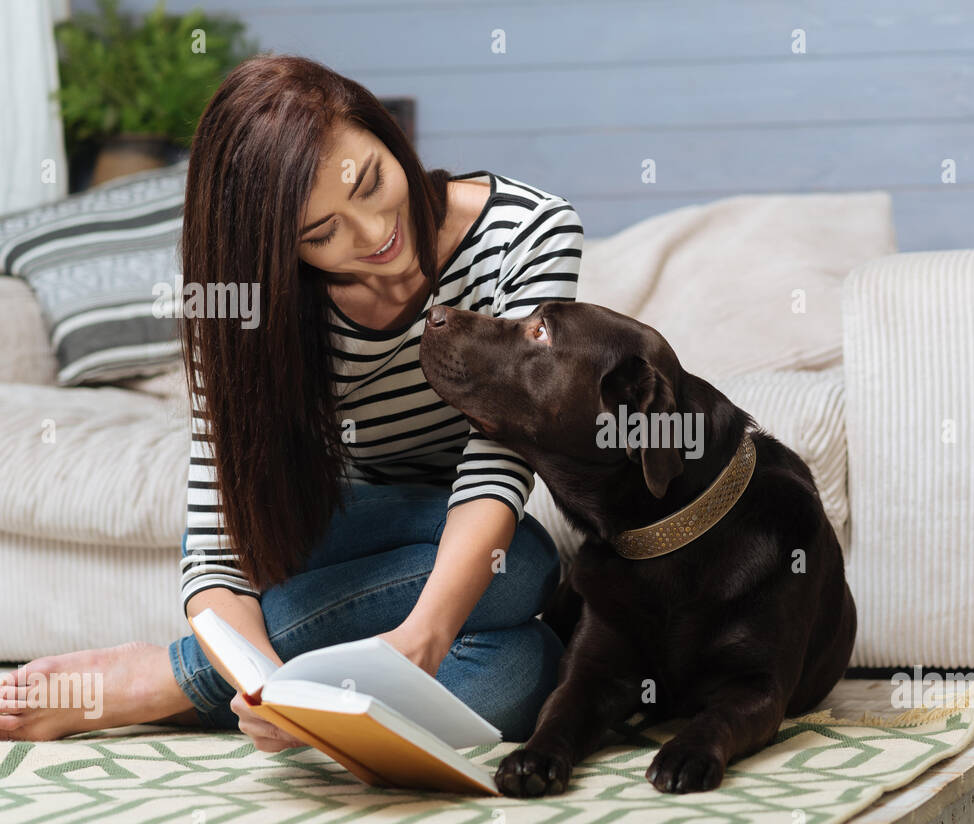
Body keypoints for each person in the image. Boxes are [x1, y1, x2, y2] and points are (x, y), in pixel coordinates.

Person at [0, 54, 583, 749]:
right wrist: (268, 692)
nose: (371, 236)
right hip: (317, 528)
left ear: (383, 131)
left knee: (527, 669)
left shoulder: (530, 233)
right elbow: (218, 549)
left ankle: (172, 677)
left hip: (464, 524)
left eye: (369, 183)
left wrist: (420, 645)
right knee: (520, 567)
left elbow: (499, 465)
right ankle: (193, 685)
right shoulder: (246, 301)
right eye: (320, 234)